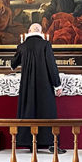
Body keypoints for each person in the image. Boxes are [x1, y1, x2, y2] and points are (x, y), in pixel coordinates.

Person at [11, 23, 64, 152]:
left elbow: (13, 64)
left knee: (28, 110)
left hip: (27, 86)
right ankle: (51, 143)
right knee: (47, 111)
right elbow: (52, 66)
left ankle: (29, 143)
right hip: (44, 85)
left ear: (29, 31)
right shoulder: (45, 45)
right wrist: (57, 84)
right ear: (41, 31)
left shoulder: (22, 46)